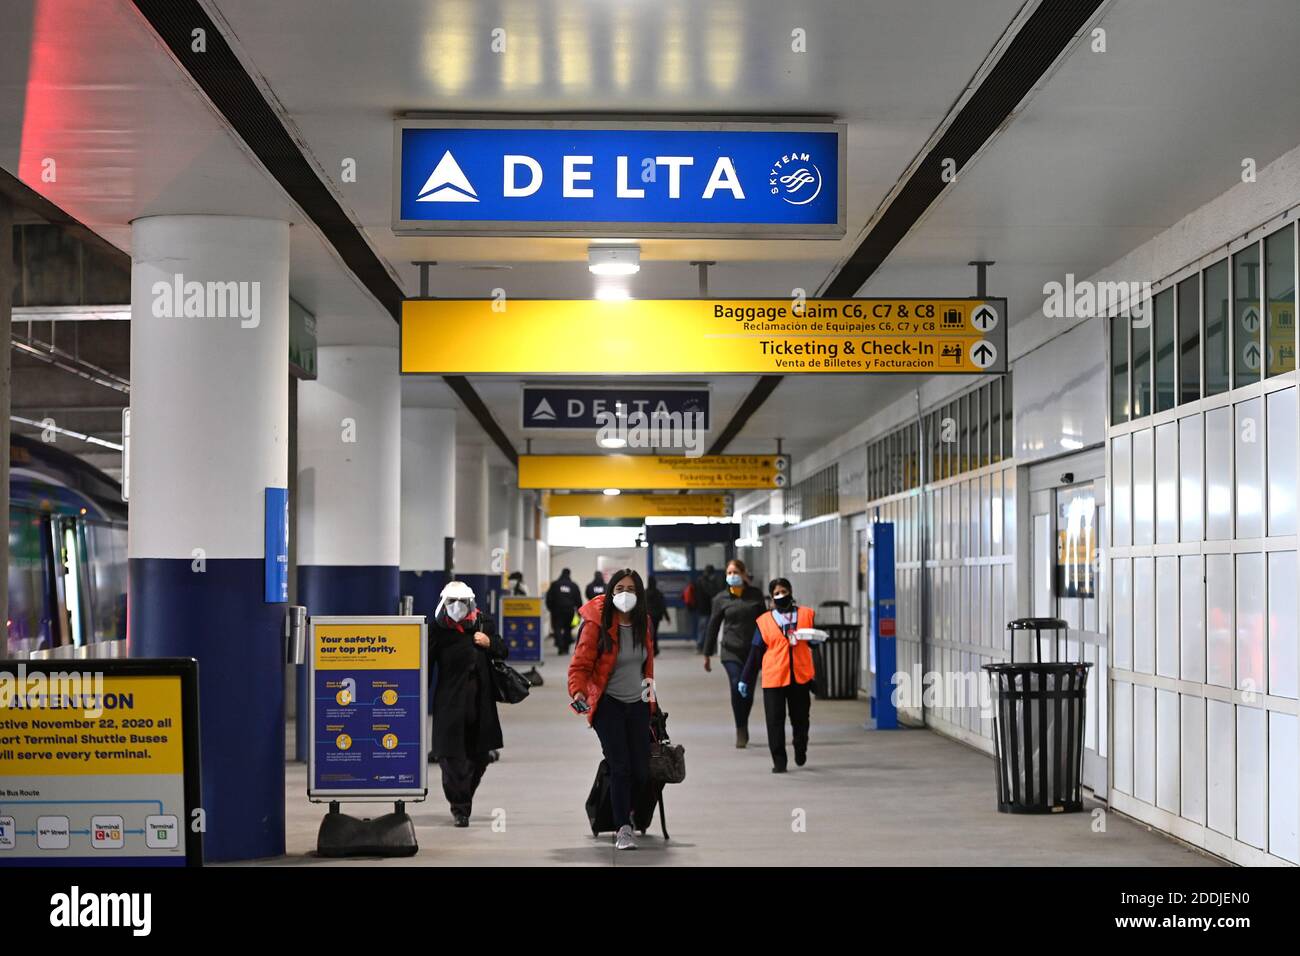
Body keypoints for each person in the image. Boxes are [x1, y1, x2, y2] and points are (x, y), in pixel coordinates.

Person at [568, 568, 656, 851]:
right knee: (621, 767)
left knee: (641, 770)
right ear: (610, 592)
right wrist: (578, 690)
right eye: (619, 589)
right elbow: (580, 664)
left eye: (631, 589)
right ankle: (623, 828)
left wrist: (651, 702)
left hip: (639, 703)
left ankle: (624, 809)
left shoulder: (645, 622)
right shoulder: (596, 623)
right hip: (609, 705)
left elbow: (647, 666)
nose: (625, 594)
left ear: (639, 594)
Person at [428, 580, 507, 825]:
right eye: (452, 602)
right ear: (444, 603)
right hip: (450, 702)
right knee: (451, 758)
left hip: (480, 702)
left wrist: (489, 643)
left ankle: (464, 798)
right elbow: (425, 665)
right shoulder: (437, 630)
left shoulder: (484, 624)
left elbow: (503, 651)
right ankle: (460, 807)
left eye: (462, 601)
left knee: (480, 756)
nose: (458, 606)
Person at [738, 578, 816, 773]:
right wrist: (745, 678)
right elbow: (755, 652)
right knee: (774, 720)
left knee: (800, 719)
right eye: (776, 593)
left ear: (790, 592)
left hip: (800, 677)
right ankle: (779, 761)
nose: (781, 595)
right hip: (774, 677)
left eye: (784, 591)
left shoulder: (806, 614)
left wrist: (815, 640)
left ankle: (800, 747)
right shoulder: (765, 621)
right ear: (772, 598)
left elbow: (813, 643)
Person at [701, 558, 766, 748]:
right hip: (730, 651)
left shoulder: (755, 596)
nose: (732, 576)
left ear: (744, 575)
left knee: (748, 691)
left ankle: (743, 722)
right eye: (729, 573)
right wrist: (707, 654)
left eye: (736, 573)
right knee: (737, 683)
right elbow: (713, 627)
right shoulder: (720, 599)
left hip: (752, 652)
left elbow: (765, 623)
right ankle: (740, 728)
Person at [545, 568, 583, 653]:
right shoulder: (573, 585)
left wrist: (551, 609)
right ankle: (566, 647)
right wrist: (579, 612)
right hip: (569, 611)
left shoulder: (555, 584)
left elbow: (549, 598)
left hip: (557, 611)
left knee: (557, 628)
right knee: (568, 629)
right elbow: (578, 599)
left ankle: (560, 646)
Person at [691, 564, 723, 652]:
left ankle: (702, 645)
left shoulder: (700, 580)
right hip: (705, 608)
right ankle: (701, 646)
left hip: (702, 608)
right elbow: (711, 592)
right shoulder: (704, 581)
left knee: (703, 627)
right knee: (705, 628)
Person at [645, 576, 668, 652]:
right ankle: (655, 649)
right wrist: (667, 617)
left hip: (647, 616)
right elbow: (662, 606)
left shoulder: (645, 593)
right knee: (654, 633)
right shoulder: (658, 593)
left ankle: (650, 648)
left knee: (648, 633)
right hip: (656, 617)